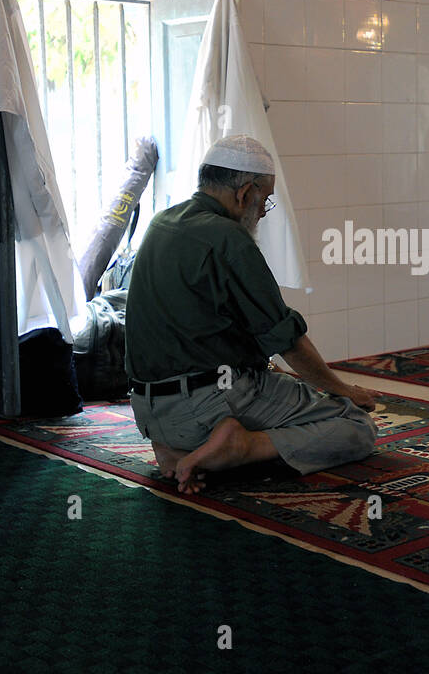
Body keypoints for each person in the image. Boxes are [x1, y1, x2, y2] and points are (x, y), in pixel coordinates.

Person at [125, 135, 378, 494]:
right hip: (206, 403)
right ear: (245, 193)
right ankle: (241, 446)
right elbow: (287, 341)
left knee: (276, 391)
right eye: (265, 201)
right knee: (355, 425)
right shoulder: (227, 237)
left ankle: (179, 449)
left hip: (148, 413)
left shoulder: (161, 222)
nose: (262, 213)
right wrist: (344, 389)